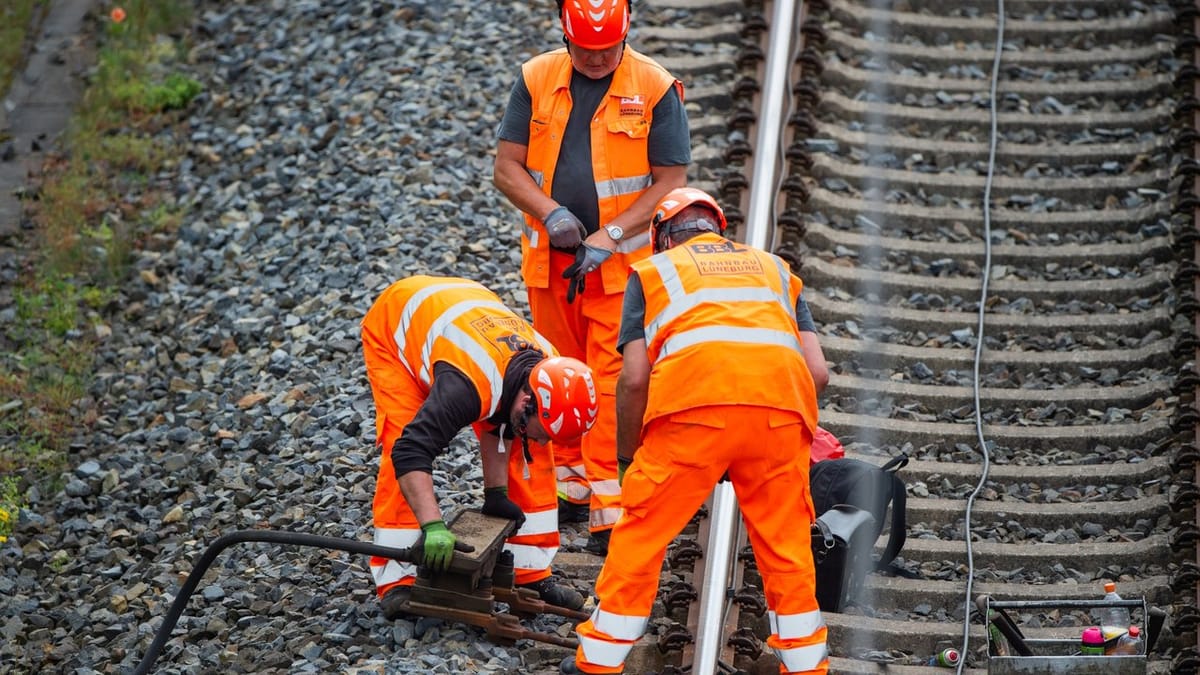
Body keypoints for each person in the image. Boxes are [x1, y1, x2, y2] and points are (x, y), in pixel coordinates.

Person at [562, 188, 829, 674]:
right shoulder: (775, 270)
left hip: (693, 414)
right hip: (778, 413)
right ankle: (807, 667)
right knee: (786, 547)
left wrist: (627, 459)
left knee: (641, 535)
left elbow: (634, 379)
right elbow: (819, 373)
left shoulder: (654, 273)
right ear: (718, 231)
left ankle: (598, 662)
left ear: (663, 237)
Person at [493, 0, 691, 555]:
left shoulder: (654, 88)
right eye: (585, 48)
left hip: (620, 268)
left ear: (628, 32)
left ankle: (610, 505)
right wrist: (550, 212)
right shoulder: (536, 78)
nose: (598, 58)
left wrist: (612, 236)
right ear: (564, 32)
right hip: (550, 262)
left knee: (607, 377)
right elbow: (506, 168)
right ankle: (569, 482)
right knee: (556, 369)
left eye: (608, 48)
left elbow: (670, 180)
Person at [360, 275, 599, 618]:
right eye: (543, 428)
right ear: (528, 399)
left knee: (528, 448)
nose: (545, 439)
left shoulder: (548, 365)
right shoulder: (466, 386)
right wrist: (432, 525)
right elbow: (411, 453)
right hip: (397, 321)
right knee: (402, 435)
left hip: (464, 308)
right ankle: (398, 578)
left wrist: (496, 493)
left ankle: (530, 573)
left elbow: (501, 419)